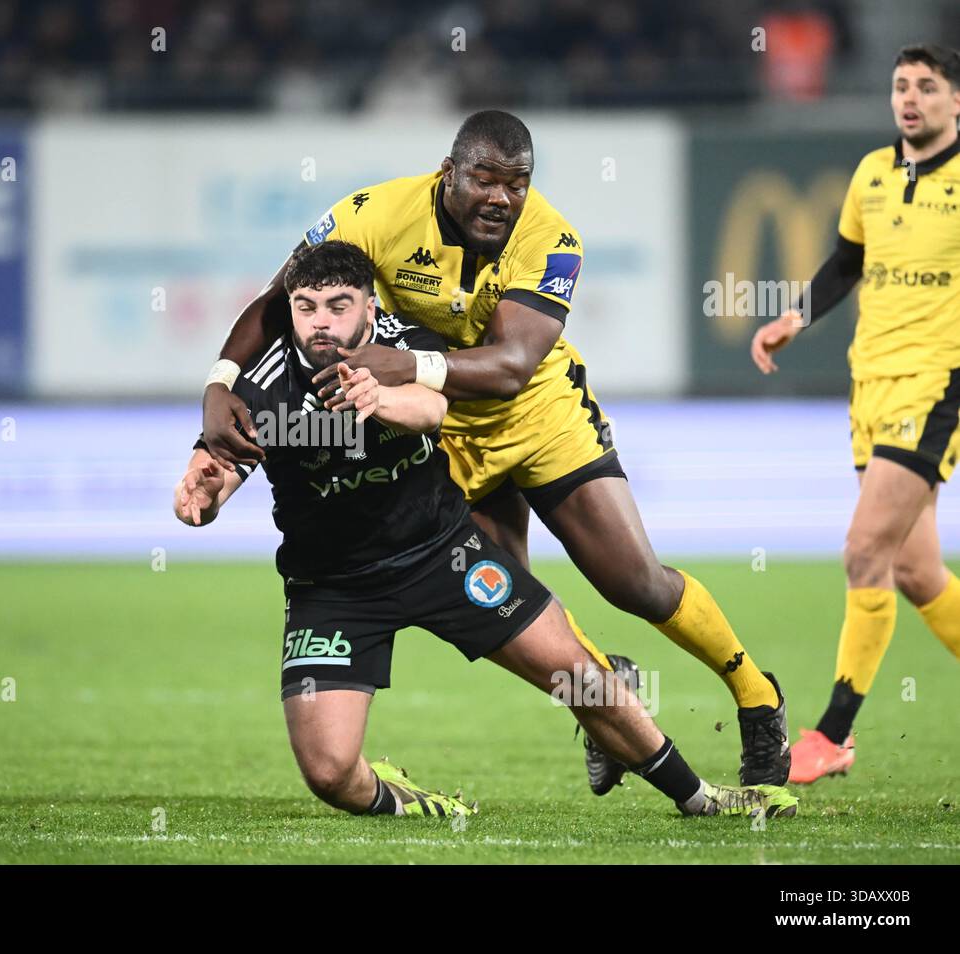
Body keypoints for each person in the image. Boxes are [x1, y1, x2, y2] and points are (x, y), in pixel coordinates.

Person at [200, 110, 789, 796]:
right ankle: (610, 699)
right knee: (512, 600)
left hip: (537, 413)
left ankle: (757, 698)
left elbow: (512, 365)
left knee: (635, 582)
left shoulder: (553, 236)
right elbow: (279, 304)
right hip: (441, 428)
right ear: (449, 172)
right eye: (484, 178)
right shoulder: (375, 212)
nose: (501, 197)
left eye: (517, 183)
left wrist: (404, 368)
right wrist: (219, 384)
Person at [750, 44, 960, 784]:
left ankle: (832, 734)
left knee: (863, 551)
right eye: (901, 86)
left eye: (928, 88)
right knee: (916, 569)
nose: (911, 98)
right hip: (869, 386)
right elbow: (846, 260)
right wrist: (792, 318)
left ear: (956, 102)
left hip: (936, 385)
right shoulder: (874, 172)